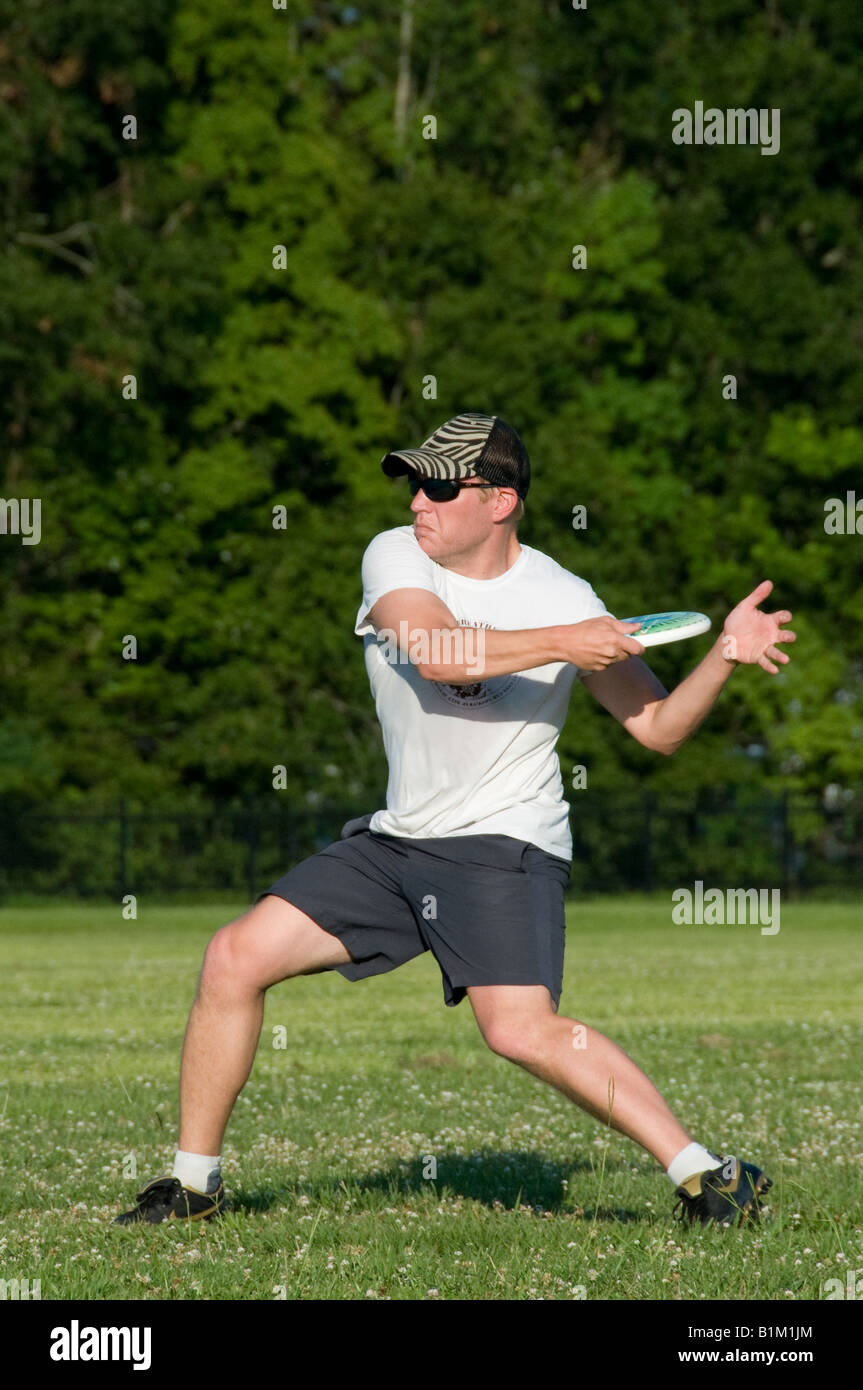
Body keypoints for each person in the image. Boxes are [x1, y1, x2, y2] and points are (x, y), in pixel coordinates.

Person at [114, 412, 795, 1227]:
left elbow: (657, 729)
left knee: (519, 1032)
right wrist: (564, 644)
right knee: (233, 956)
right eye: (412, 483)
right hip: (396, 840)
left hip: (502, 844)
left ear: (500, 500)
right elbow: (436, 652)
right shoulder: (397, 557)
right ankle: (193, 1187)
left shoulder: (565, 594)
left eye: (440, 486)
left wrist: (720, 655)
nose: (418, 503)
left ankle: (711, 1177)